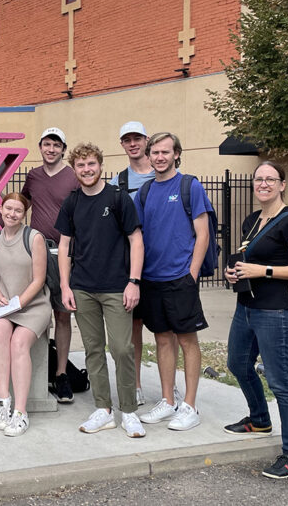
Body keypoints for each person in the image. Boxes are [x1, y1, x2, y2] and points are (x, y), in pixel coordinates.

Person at [225, 161, 288, 479]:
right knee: (237, 363)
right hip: (246, 306)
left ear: (282, 184)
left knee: (281, 382)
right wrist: (236, 271)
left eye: (270, 179)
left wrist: (261, 271)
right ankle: (260, 419)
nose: (263, 183)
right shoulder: (252, 220)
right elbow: (248, 258)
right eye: (258, 179)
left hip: (276, 312)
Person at [56, 143, 145, 438]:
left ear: (100, 165)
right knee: (93, 350)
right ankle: (103, 409)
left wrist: (134, 281)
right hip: (83, 288)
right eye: (80, 166)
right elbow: (65, 246)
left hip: (117, 288)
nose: (86, 170)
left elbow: (136, 239)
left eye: (91, 164)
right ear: (75, 170)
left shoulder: (118, 199)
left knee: (121, 348)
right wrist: (66, 286)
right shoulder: (71, 202)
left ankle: (129, 411)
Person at [135, 132, 210, 432]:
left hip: (181, 277)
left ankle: (189, 405)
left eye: (166, 152)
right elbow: (138, 235)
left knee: (187, 340)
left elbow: (202, 234)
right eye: (155, 152)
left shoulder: (189, 186)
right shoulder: (145, 191)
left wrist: (191, 274)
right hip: (152, 278)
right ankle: (168, 400)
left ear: (177, 154)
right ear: (149, 155)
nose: (160, 157)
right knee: (162, 339)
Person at [21, 126, 78, 404]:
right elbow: (22, 206)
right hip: (36, 252)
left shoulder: (74, 176)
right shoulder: (33, 176)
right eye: (47, 144)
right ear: (40, 147)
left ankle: (61, 373)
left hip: (65, 254)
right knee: (36, 313)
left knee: (62, 314)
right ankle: (40, 368)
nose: (51, 149)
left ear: (63, 150)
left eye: (57, 145)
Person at [0, 192, 51, 437]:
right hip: (5, 301)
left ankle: (21, 412)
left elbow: (39, 279)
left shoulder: (34, 238)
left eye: (17, 210)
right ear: (1, 210)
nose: (12, 214)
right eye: (8, 209)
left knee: (19, 342)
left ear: (24, 214)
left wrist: (18, 303)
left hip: (33, 304)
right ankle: (3, 401)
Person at [111, 121, 164, 406]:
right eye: (127, 140)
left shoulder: (165, 176)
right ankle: (137, 385)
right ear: (122, 144)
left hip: (162, 265)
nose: (132, 144)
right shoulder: (117, 182)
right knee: (132, 331)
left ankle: (169, 389)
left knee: (166, 333)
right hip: (130, 267)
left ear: (146, 140)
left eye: (137, 138)